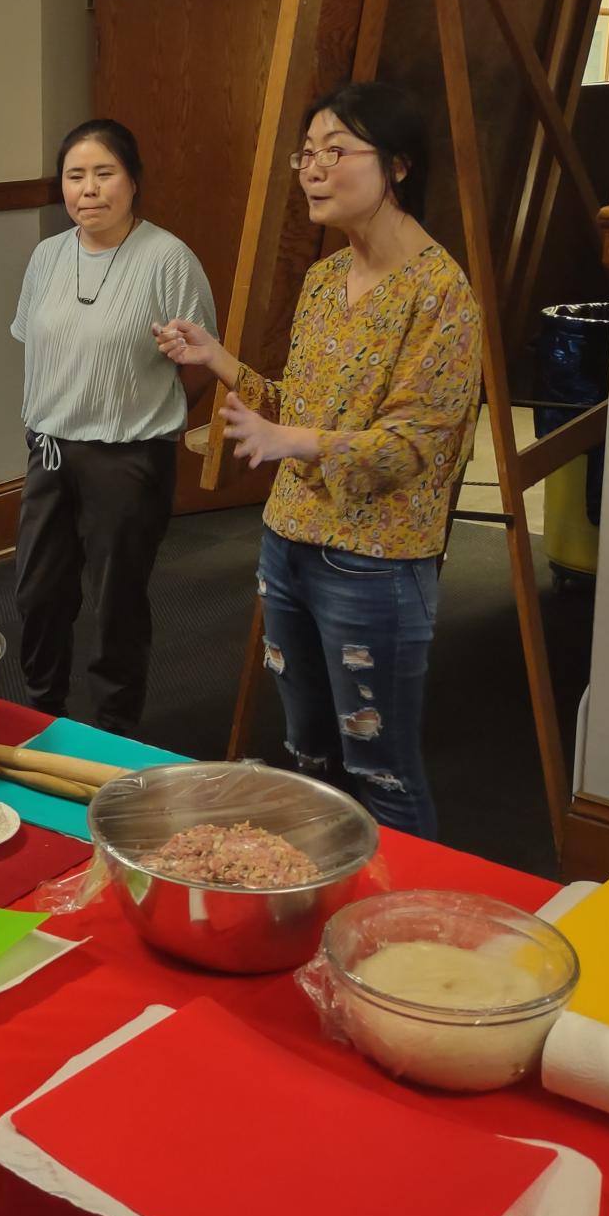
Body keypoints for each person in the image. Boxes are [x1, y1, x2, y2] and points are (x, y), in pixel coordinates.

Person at [158, 82, 482, 839]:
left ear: (398, 166)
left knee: (383, 772)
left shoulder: (441, 293)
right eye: (307, 153)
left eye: (337, 152)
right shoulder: (324, 279)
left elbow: (415, 447)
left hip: (376, 561)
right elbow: (295, 408)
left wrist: (294, 442)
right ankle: (326, 918)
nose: (314, 168)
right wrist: (220, 360)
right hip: (289, 543)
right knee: (308, 760)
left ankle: (403, 935)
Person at [11, 120, 217, 736]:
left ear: (133, 182)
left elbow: (199, 365)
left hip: (128, 456)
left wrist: (154, 414)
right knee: (37, 594)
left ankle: (112, 731)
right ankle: (41, 713)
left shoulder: (168, 258)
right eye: (76, 176)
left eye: (104, 174)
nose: (89, 190)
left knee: (115, 603)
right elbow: (38, 344)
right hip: (48, 447)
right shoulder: (47, 255)